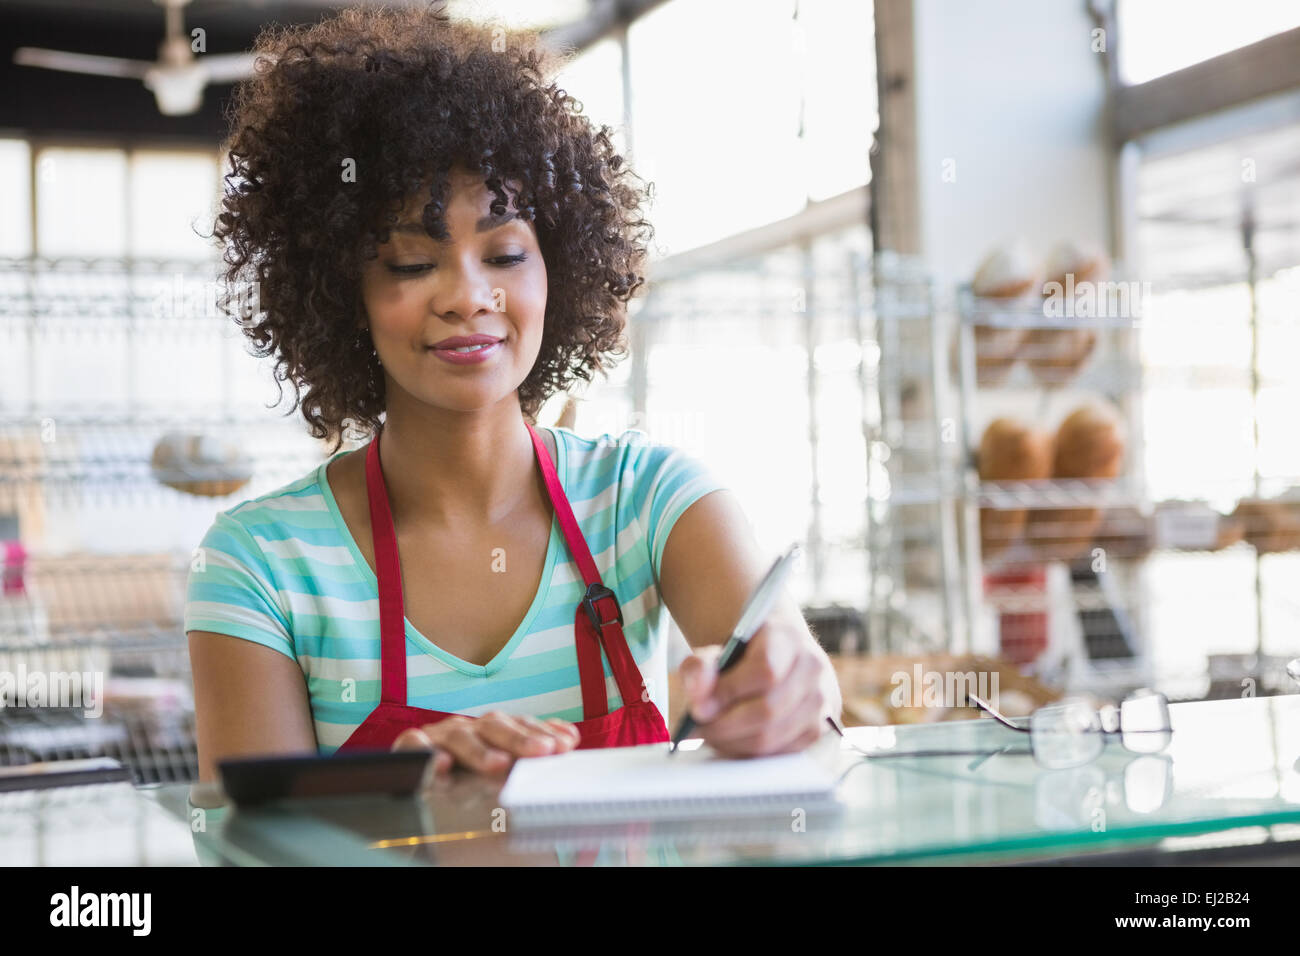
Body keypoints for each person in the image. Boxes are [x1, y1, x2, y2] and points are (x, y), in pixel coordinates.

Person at [185, 4, 841, 792]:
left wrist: (790, 695)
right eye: (408, 264)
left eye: (503, 252)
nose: (468, 296)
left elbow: (813, 708)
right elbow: (248, 840)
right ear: (338, 293)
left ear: (559, 269)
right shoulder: (261, 565)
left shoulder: (651, 501)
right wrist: (394, 794)